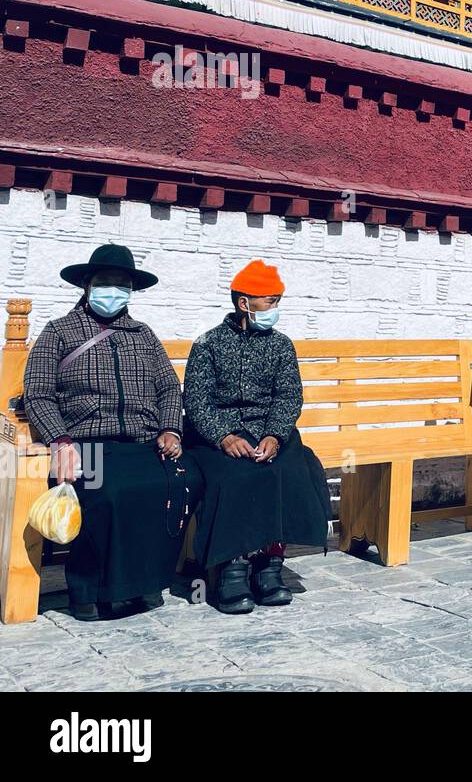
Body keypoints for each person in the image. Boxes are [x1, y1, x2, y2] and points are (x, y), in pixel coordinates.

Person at [22, 244, 194, 621]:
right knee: (108, 490)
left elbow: (169, 388)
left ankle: (143, 584)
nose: (113, 291)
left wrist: (170, 428)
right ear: (86, 284)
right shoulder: (59, 332)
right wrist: (60, 440)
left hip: (141, 439)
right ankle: (89, 591)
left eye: (122, 284)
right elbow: (37, 393)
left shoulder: (143, 334)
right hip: (85, 442)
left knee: (179, 481)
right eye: (105, 282)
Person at [182, 261, 331, 614]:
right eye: (269, 301)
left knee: (291, 469)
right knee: (236, 475)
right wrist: (223, 436)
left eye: (278, 301)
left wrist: (275, 436)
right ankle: (232, 567)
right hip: (218, 434)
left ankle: (270, 564)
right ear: (244, 303)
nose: (275, 309)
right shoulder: (208, 345)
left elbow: (289, 396)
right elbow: (197, 400)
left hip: (268, 431)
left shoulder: (281, 346)